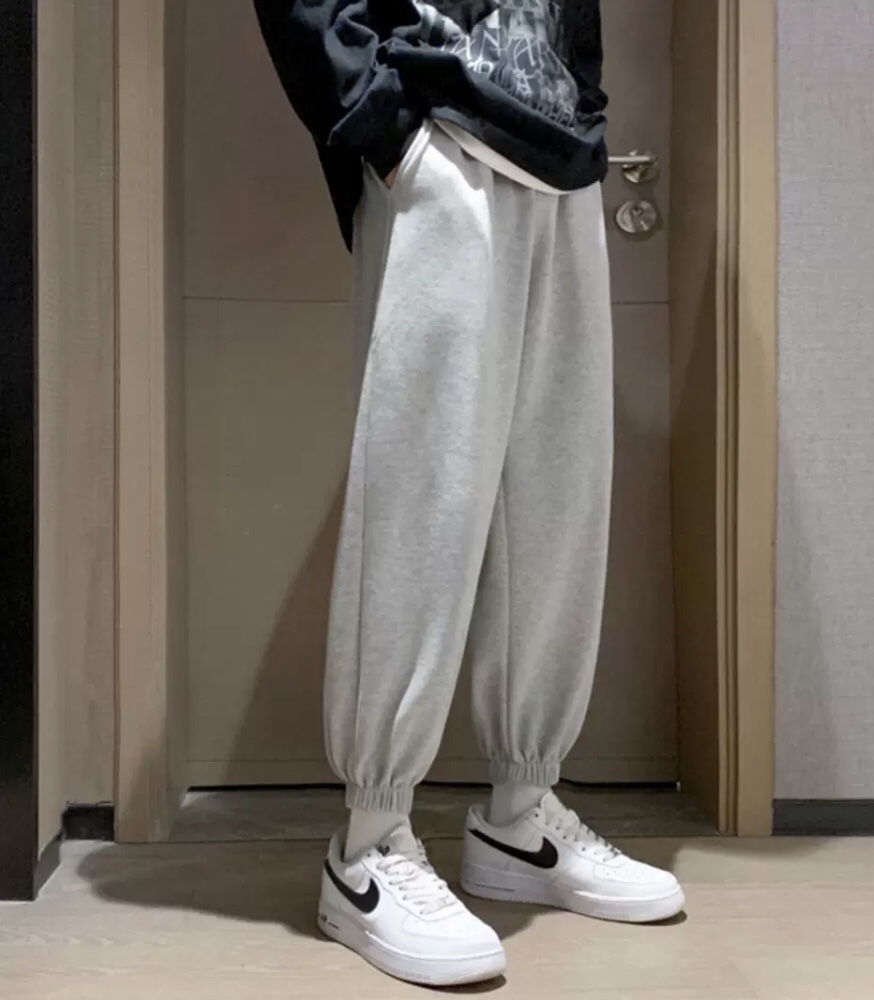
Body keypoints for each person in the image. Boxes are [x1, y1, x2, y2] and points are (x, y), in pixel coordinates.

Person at [253, 0, 685, 985]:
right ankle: (367, 844)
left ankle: (519, 818)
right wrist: (381, 122)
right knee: (421, 495)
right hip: (437, 130)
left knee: (557, 497)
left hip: (559, 148)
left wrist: (584, 102)